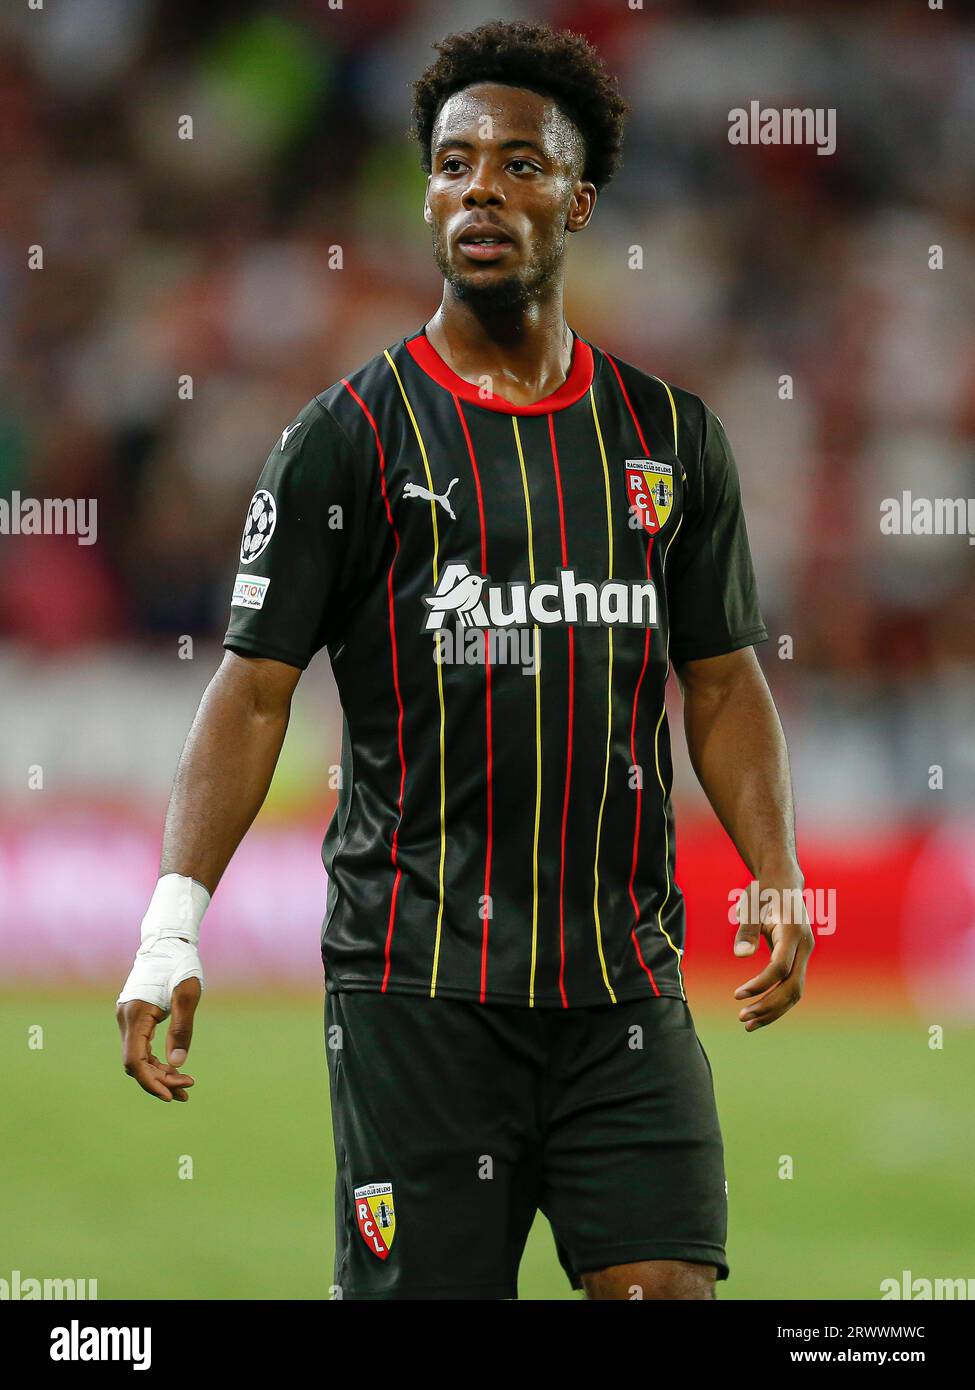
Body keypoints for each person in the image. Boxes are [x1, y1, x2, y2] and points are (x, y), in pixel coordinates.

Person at [116, 19, 813, 1301]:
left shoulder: (672, 440)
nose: (480, 187)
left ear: (580, 201)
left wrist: (774, 867)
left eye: (519, 164)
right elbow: (254, 685)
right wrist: (172, 927)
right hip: (417, 988)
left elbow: (719, 676)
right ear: (426, 195)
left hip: (623, 983)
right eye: (451, 162)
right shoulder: (349, 438)